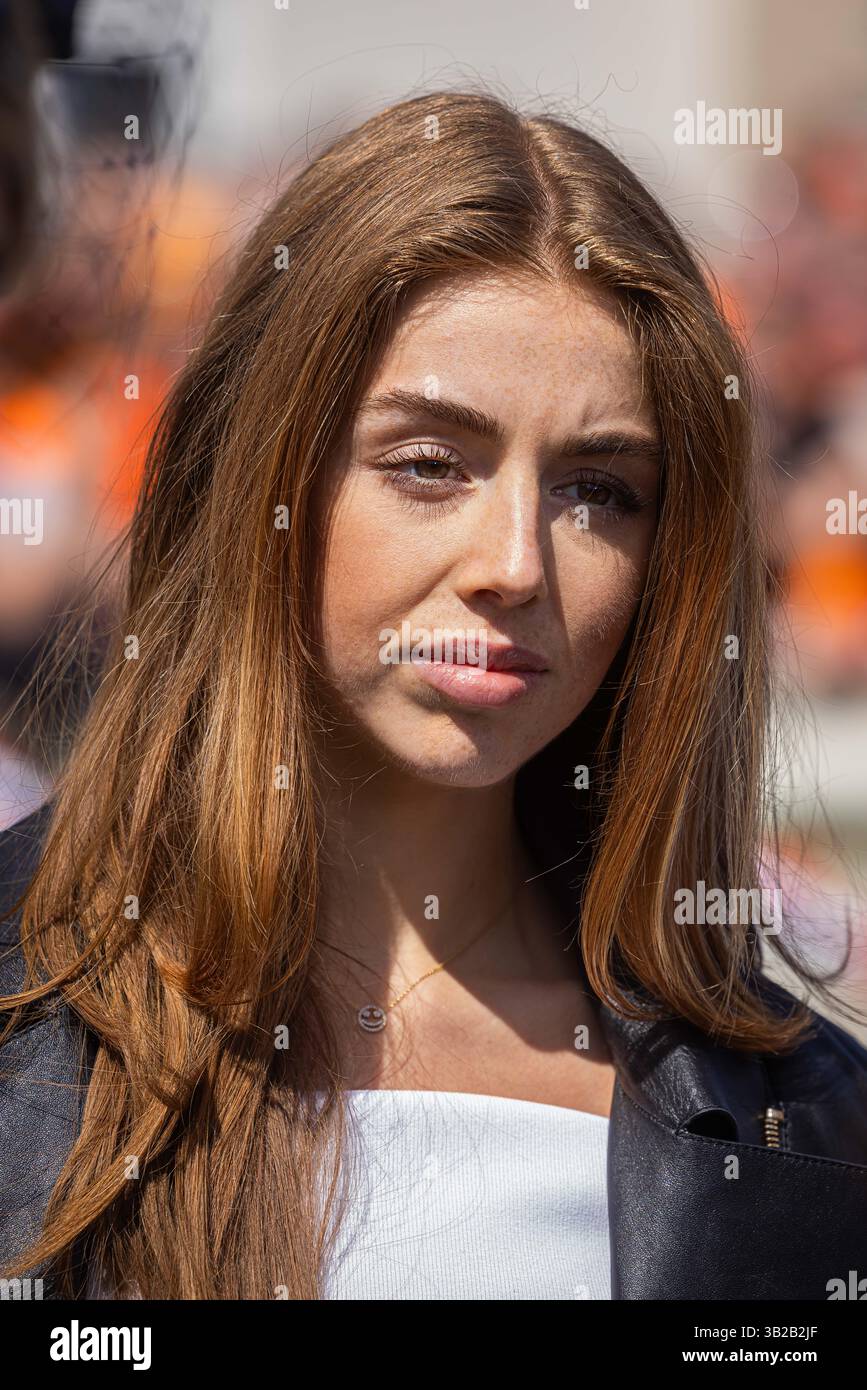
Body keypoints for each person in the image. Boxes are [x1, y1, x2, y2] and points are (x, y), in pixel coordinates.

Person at [1, 89, 866, 1303]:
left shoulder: (812, 1136)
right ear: (257, 477)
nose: (516, 561)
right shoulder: (23, 1022)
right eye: (427, 464)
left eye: (599, 490)